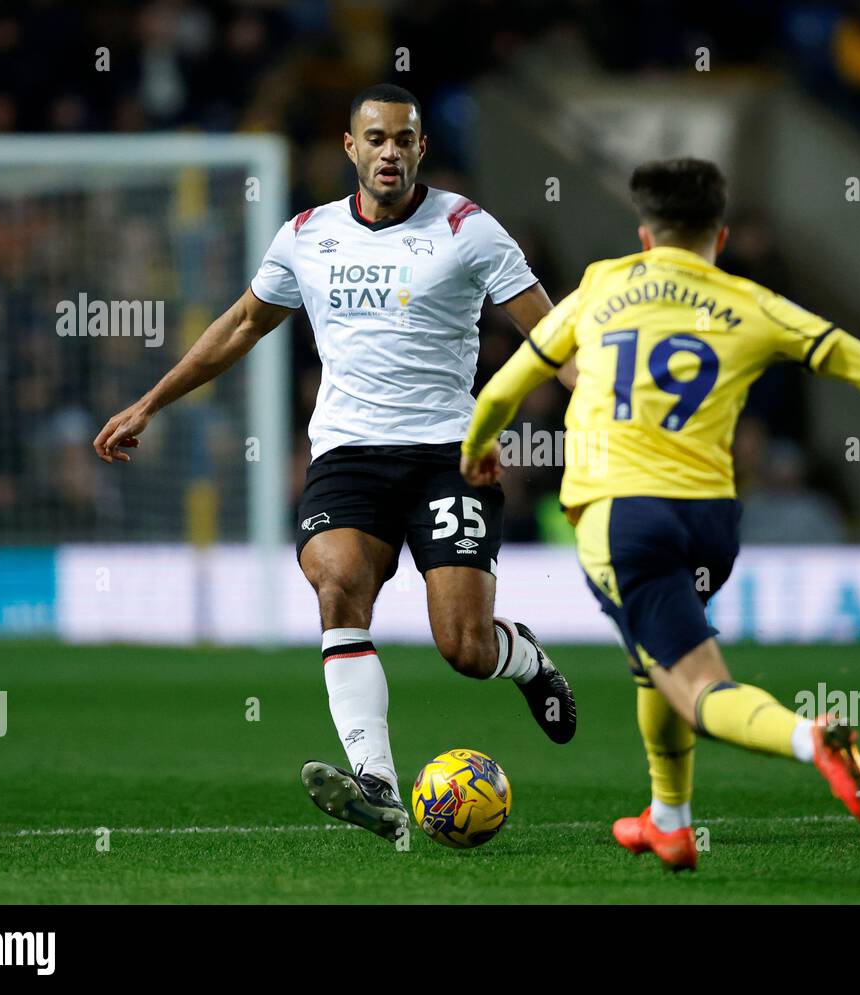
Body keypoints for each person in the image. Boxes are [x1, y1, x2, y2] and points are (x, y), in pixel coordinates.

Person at [459, 157, 860, 870]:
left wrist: (481, 447)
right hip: (710, 521)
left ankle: (811, 738)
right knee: (654, 660)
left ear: (645, 236)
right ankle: (669, 818)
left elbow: (507, 385)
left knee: (696, 682)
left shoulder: (603, 286)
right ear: (722, 236)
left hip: (623, 516)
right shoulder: (750, 303)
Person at [93, 83, 577, 845]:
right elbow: (246, 322)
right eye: (375, 138)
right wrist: (152, 401)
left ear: (422, 148)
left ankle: (526, 661)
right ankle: (379, 785)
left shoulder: (468, 229)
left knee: (463, 646)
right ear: (350, 148)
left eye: (404, 139)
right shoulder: (306, 235)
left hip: (447, 455)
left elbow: (551, 337)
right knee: (338, 584)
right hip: (346, 454)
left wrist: (608, 419)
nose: (390, 151)